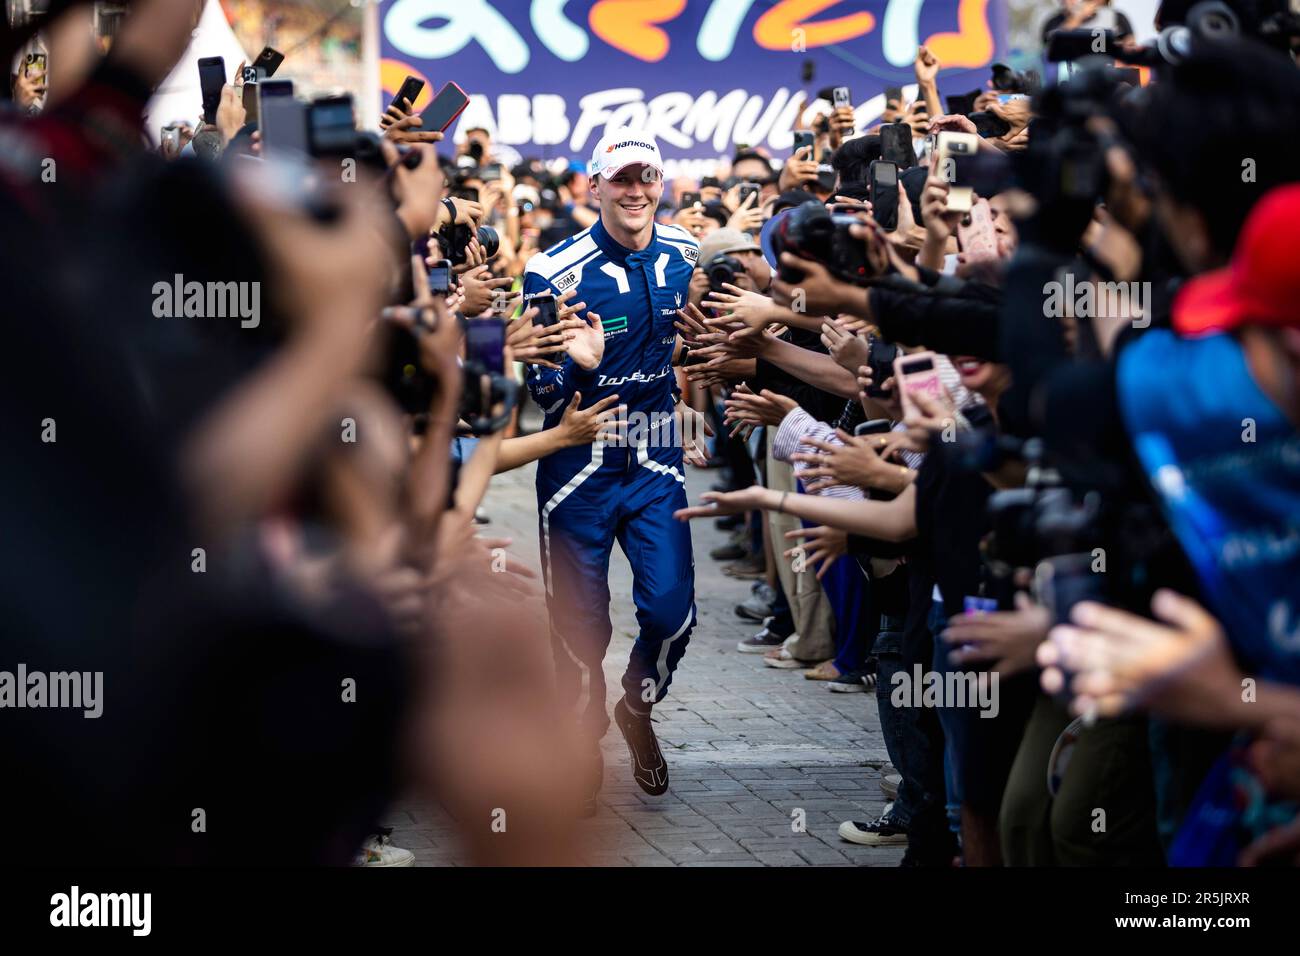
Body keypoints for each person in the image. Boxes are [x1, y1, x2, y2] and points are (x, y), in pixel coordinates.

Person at [521, 127, 705, 810]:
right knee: (579, 624)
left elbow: (682, 347)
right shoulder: (550, 272)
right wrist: (579, 366)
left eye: (647, 178)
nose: (636, 192)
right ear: (592, 185)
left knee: (673, 610)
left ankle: (637, 701)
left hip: (655, 456)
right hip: (577, 464)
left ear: (662, 184)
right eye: (621, 179)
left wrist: (686, 410)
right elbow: (539, 392)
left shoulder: (687, 251)